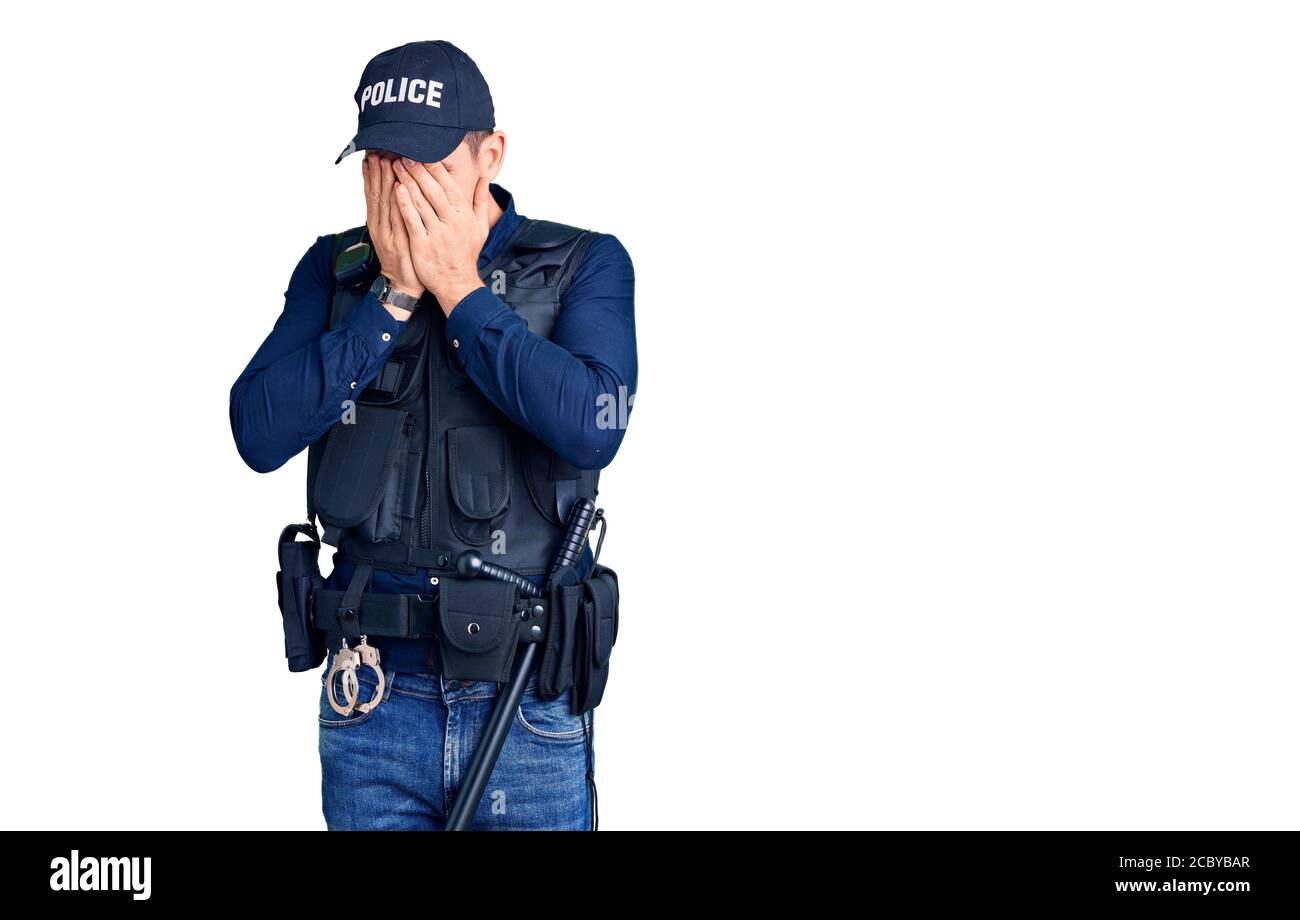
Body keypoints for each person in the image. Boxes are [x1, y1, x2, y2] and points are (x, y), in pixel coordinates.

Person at [229, 40, 637, 830]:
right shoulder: (336, 271)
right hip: (371, 697)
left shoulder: (585, 264)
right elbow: (256, 431)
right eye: (380, 161)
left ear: (492, 154)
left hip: (526, 704)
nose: (400, 185)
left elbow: (595, 427)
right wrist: (390, 300)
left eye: (425, 162)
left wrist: (457, 287)